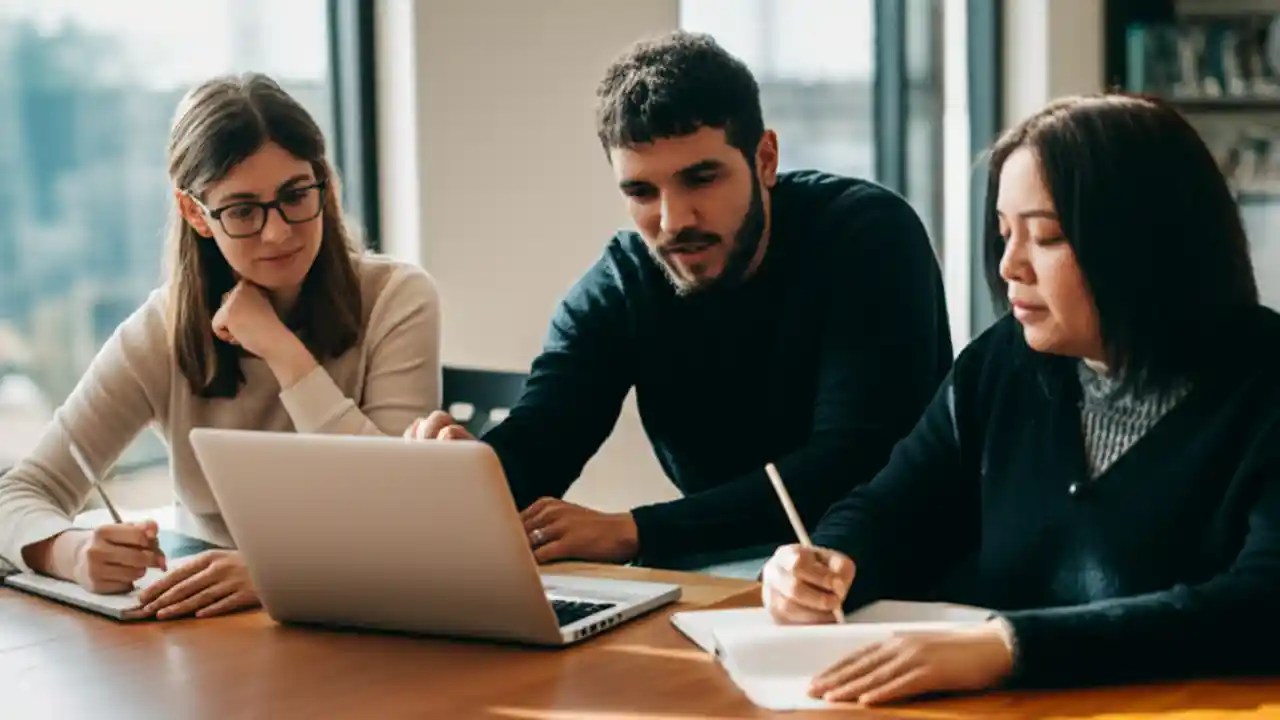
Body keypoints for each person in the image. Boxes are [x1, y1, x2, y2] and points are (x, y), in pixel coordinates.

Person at [761, 94, 1280, 705]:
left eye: (1048, 237)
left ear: (1147, 241)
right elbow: (889, 506)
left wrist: (1008, 646)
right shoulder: (1000, 364)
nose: (1009, 265)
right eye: (1005, 233)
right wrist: (825, 564)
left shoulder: (1262, 386)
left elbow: (1259, 606)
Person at [406, 32, 951, 568]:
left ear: (765, 159)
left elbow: (852, 465)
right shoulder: (624, 283)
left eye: (701, 178)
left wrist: (636, 531)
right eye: (641, 192)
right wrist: (468, 472)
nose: (673, 222)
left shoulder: (867, 233)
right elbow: (545, 437)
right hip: (719, 577)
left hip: (892, 571)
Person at [0, 74, 441, 620]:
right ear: (195, 215)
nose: (277, 233)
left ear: (323, 185)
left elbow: (399, 506)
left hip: (361, 621)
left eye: (295, 195)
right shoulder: (161, 330)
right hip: (210, 634)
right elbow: (18, 494)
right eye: (242, 210)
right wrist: (71, 551)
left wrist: (281, 350)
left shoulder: (397, 298)